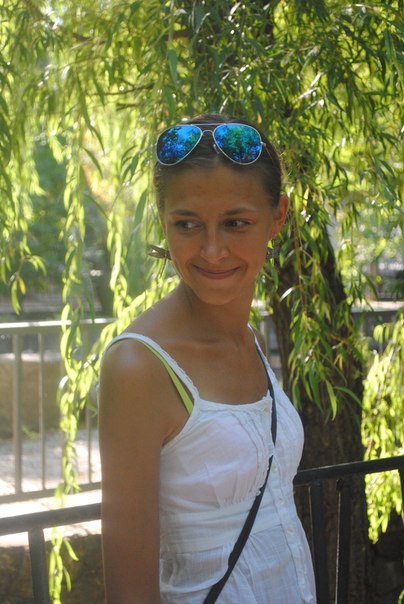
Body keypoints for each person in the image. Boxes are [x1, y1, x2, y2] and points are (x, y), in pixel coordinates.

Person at [98, 113, 317, 604]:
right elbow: (129, 594)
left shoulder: (249, 339)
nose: (213, 250)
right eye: (188, 224)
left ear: (278, 217)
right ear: (163, 221)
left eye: (236, 223)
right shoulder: (139, 367)